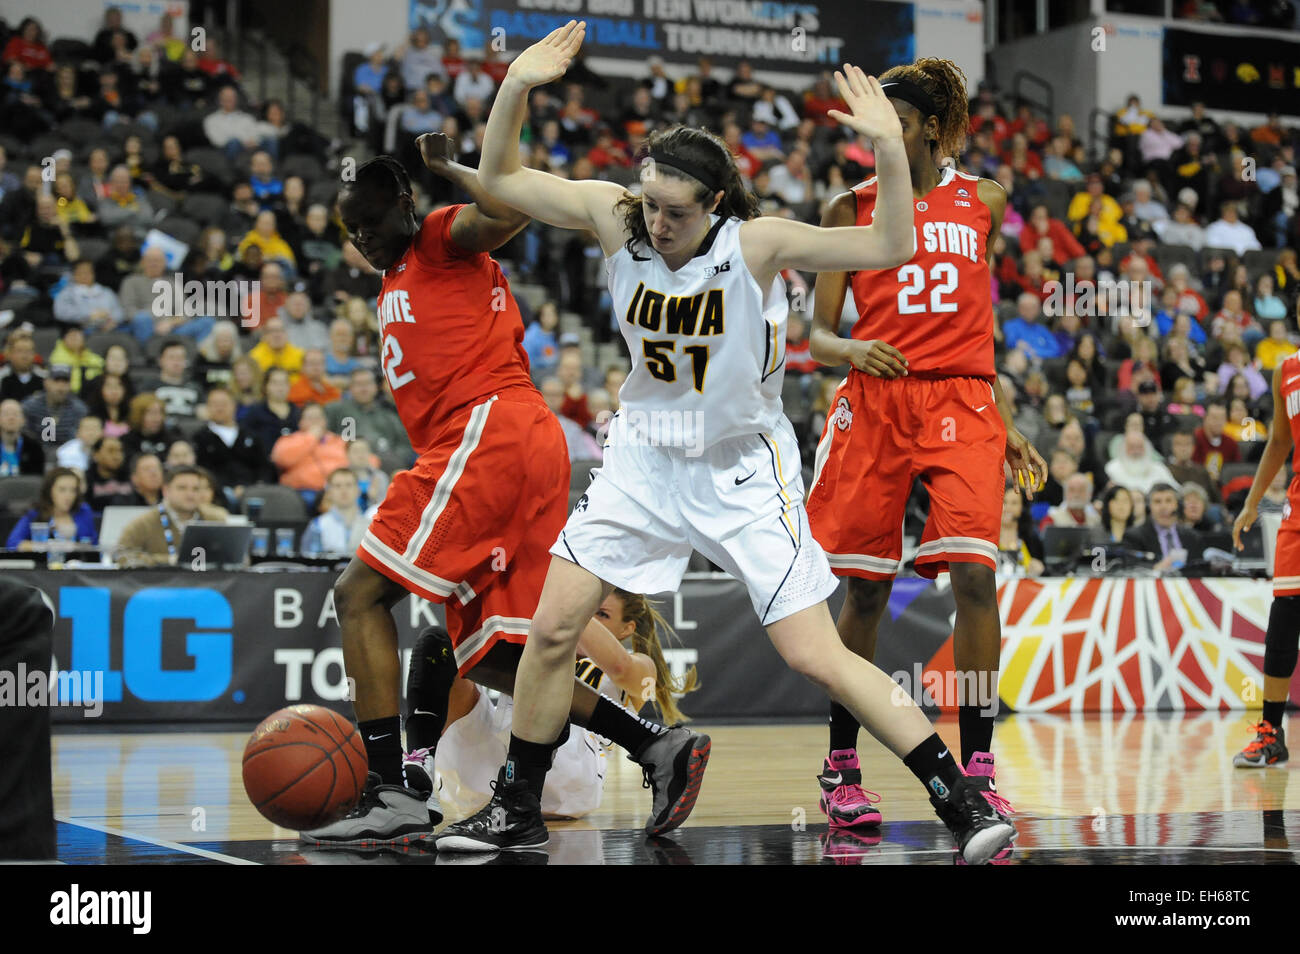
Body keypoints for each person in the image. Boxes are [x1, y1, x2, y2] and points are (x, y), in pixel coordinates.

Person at [436, 24, 1016, 863]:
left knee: (813, 653)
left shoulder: (758, 243)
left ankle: (958, 798)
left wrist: (888, 144)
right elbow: (499, 178)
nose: (658, 223)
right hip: (642, 455)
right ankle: (514, 806)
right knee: (552, 624)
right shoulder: (618, 215)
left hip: (742, 467)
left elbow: (891, 242)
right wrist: (517, 85)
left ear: (713, 205)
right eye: (650, 203)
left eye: (677, 211)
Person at [303, 126, 714, 849]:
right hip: (515, 443)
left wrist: (459, 169)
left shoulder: (436, 237)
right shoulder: (401, 274)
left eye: (372, 221)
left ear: (404, 204)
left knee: (358, 594)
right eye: (352, 230)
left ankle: (390, 787)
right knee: (496, 655)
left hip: (486, 432)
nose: (364, 239)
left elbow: (508, 211)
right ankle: (656, 746)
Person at [802, 55, 1045, 833]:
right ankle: (842, 767)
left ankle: (978, 765)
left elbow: (979, 325)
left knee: (976, 577)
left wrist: (1004, 425)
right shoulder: (850, 207)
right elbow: (816, 335)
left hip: (963, 398)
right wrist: (848, 353)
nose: (886, 139)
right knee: (866, 590)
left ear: (932, 132)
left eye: (899, 127)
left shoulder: (987, 201)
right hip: (875, 399)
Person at [411, 590, 699, 822]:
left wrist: (565, 602)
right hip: (495, 766)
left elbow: (622, 668)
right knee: (440, 645)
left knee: (551, 686)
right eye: (588, 610)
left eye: (600, 614)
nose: (588, 618)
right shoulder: (538, 643)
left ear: (626, 629)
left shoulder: (641, 667)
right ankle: (418, 779)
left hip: (570, 779)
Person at [1232, 355, 1300, 765]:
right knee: (1285, 613)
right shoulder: (1286, 370)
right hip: (1297, 508)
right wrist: (1252, 503)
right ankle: (1270, 734)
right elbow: (1279, 441)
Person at [115, 465, 226, 566]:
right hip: (159, 585)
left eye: (196, 489)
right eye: (182, 488)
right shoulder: (144, 522)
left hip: (207, 584)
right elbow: (122, 555)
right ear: (166, 491)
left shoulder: (214, 519)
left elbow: (231, 557)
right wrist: (167, 561)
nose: (190, 494)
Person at [5, 468, 96, 550]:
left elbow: (94, 545)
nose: (68, 496)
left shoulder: (83, 511)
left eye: (73, 490)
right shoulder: (36, 513)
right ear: (49, 491)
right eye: (62, 489)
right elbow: (12, 543)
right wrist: (49, 547)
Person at [299, 467, 377, 557]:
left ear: (358, 490)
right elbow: (310, 564)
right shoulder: (317, 525)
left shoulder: (372, 526)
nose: (344, 490)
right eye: (337, 486)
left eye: (349, 485)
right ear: (329, 492)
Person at [1122, 483, 1203, 570]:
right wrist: (1154, 569)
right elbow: (1131, 567)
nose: (1163, 507)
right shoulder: (1134, 537)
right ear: (1149, 507)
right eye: (1157, 501)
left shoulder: (1193, 537)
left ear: (1177, 505)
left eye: (1168, 501)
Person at [21, 366, 87, 450]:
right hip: (36, 455)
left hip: (68, 457)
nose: (61, 387)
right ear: (46, 383)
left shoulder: (79, 409)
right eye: (56, 381)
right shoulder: (30, 406)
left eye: (65, 381)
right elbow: (24, 435)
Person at [240, 366, 301, 455]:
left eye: (284, 383)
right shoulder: (255, 412)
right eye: (275, 383)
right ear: (265, 386)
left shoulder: (298, 412)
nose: (280, 387)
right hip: (265, 462)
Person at [0, 398, 44, 476]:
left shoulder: (34, 448)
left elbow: (37, 480)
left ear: (23, 420)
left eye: (15, 414)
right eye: (6, 414)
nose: (11, 418)